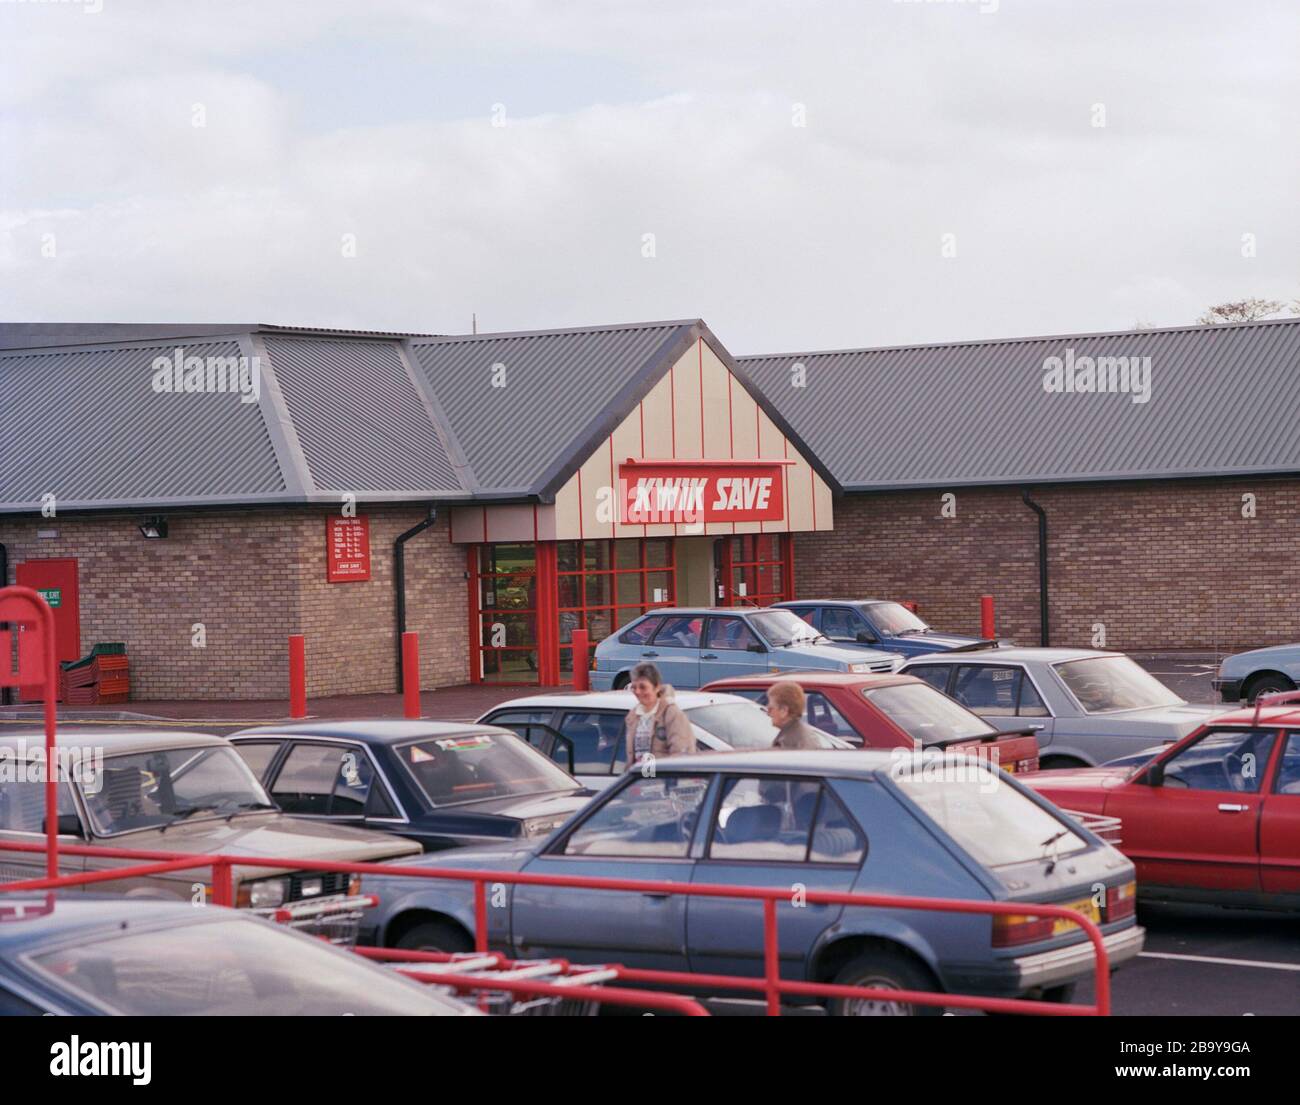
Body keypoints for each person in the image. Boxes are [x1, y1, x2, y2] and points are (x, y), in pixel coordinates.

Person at [623, 662, 695, 766]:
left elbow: (681, 754)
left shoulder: (671, 713)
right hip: (641, 779)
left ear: (657, 687)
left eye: (643, 687)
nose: (638, 691)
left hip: (664, 780)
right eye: (634, 687)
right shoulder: (633, 716)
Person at [765, 681, 831, 749]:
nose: (768, 713)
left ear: (784, 711)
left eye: (770, 708)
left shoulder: (787, 743)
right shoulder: (803, 733)